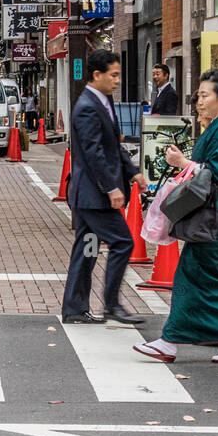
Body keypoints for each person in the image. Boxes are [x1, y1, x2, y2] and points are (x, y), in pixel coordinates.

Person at [134, 69, 218, 364]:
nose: (198, 101)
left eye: (204, 95)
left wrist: (182, 162)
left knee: (211, 275)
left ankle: (178, 340)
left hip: (217, 215)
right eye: (199, 95)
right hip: (214, 214)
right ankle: (182, 340)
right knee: (203, 275)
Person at [61, 50, 148, 326]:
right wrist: (112, 187)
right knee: (123, 242)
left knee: (86, 250)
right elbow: (93, 152)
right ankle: (111, 304)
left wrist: (132, 173)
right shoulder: (87, 106)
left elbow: (113, 144)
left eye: (118, 75)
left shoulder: (103, 100)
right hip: (93, 195)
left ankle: (75, 308)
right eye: (113, 75)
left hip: (89, 194)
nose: (117, 80)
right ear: (96, 75)